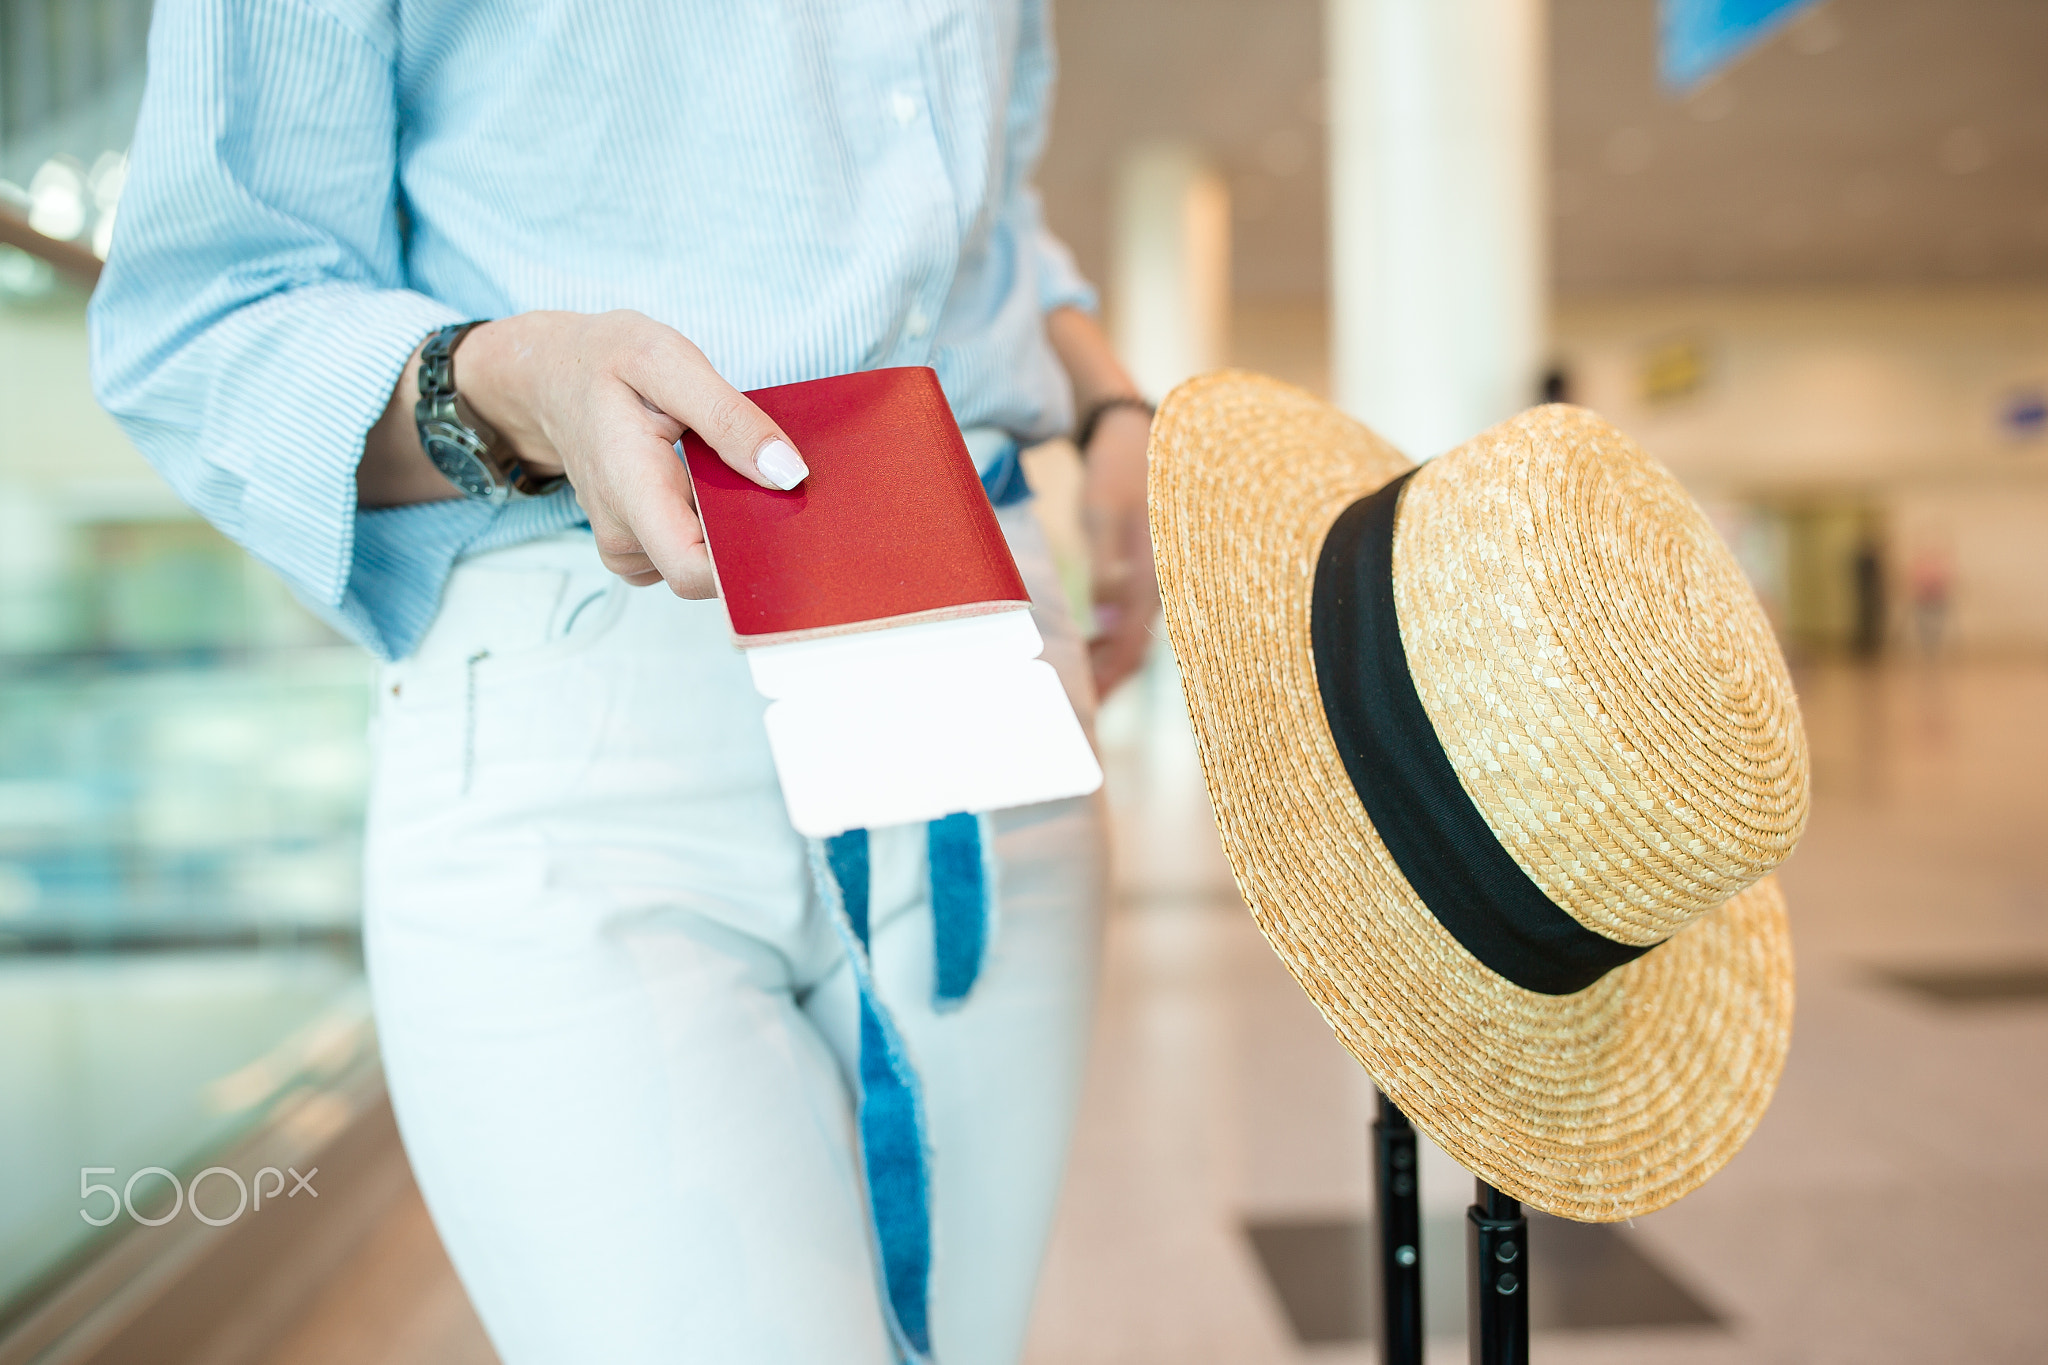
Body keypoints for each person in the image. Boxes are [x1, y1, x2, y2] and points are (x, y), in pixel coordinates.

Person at [88, 5, 1156, 1363]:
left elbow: (971, 201)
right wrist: (521, 383)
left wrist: (1110, 400)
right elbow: (206, 312)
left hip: (965, 645)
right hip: (588, 683)